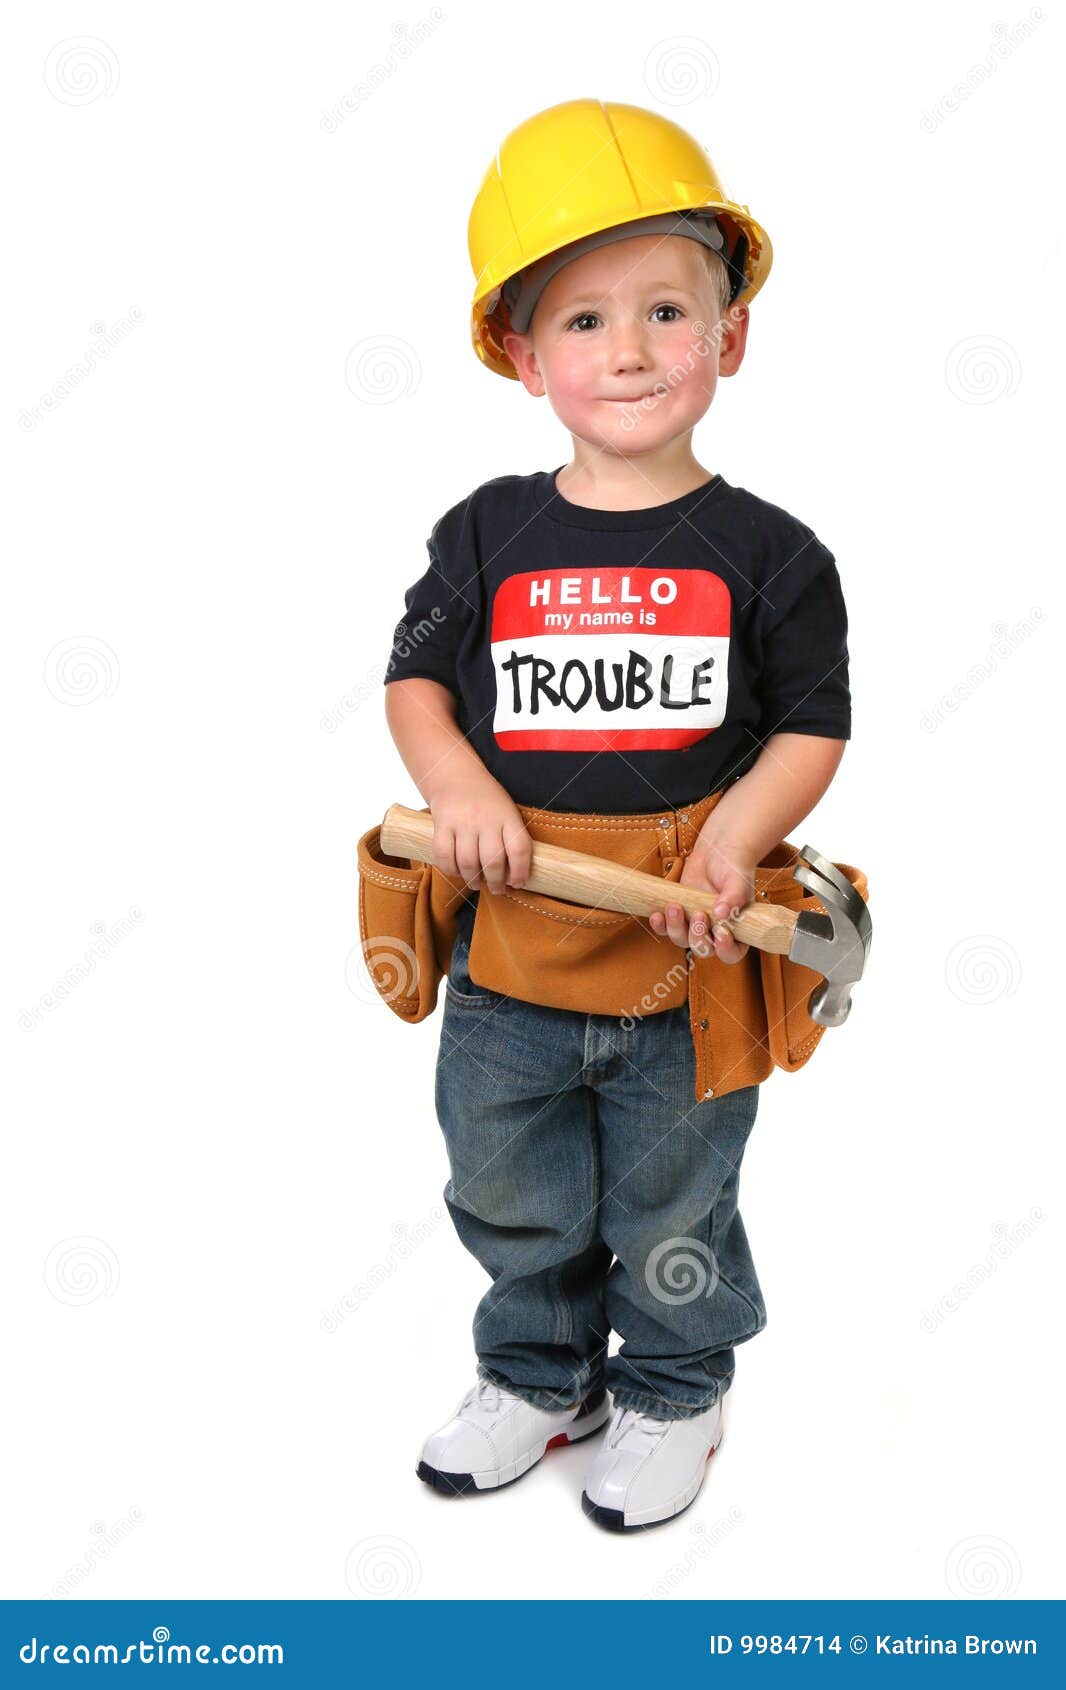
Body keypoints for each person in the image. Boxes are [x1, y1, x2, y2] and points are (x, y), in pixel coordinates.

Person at [382, 99, 851, 1532]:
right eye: (582, 321)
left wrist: (730, 838)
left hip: (686, 958)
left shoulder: (771, 552)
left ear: (732, 333)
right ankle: (536, 1375)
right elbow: (415, 683)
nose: (631, 349)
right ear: (521, 355)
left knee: (671, 1205)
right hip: (509, 960)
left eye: (665, 308)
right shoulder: (484, 531)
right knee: (507, 1181)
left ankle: (672, 1387)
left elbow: (809, 725)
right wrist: (457, 787)